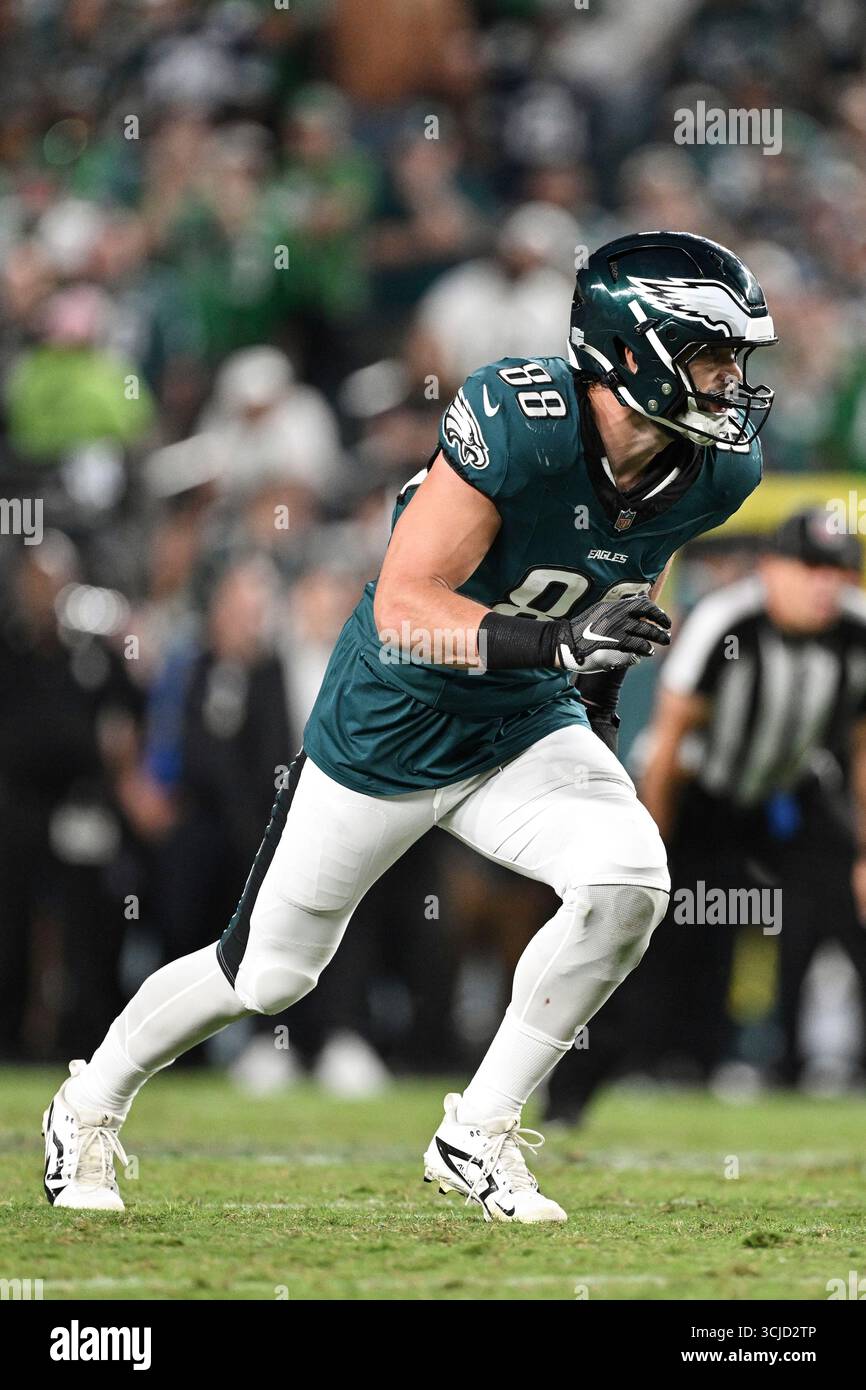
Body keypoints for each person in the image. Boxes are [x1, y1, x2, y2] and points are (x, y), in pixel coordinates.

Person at [42, 231, 777, 1222]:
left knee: (626, 883)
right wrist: (558, 642)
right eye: (709, 354)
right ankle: (87, 1104)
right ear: (630, 348)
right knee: (263, 974)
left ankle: (476, 1130)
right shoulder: (521, 421)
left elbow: (613, 571)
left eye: (734, 359)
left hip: (520, 719)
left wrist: (586, 685)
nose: (729, 382)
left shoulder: (713, 474)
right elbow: (403, 607)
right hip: (393, 716)